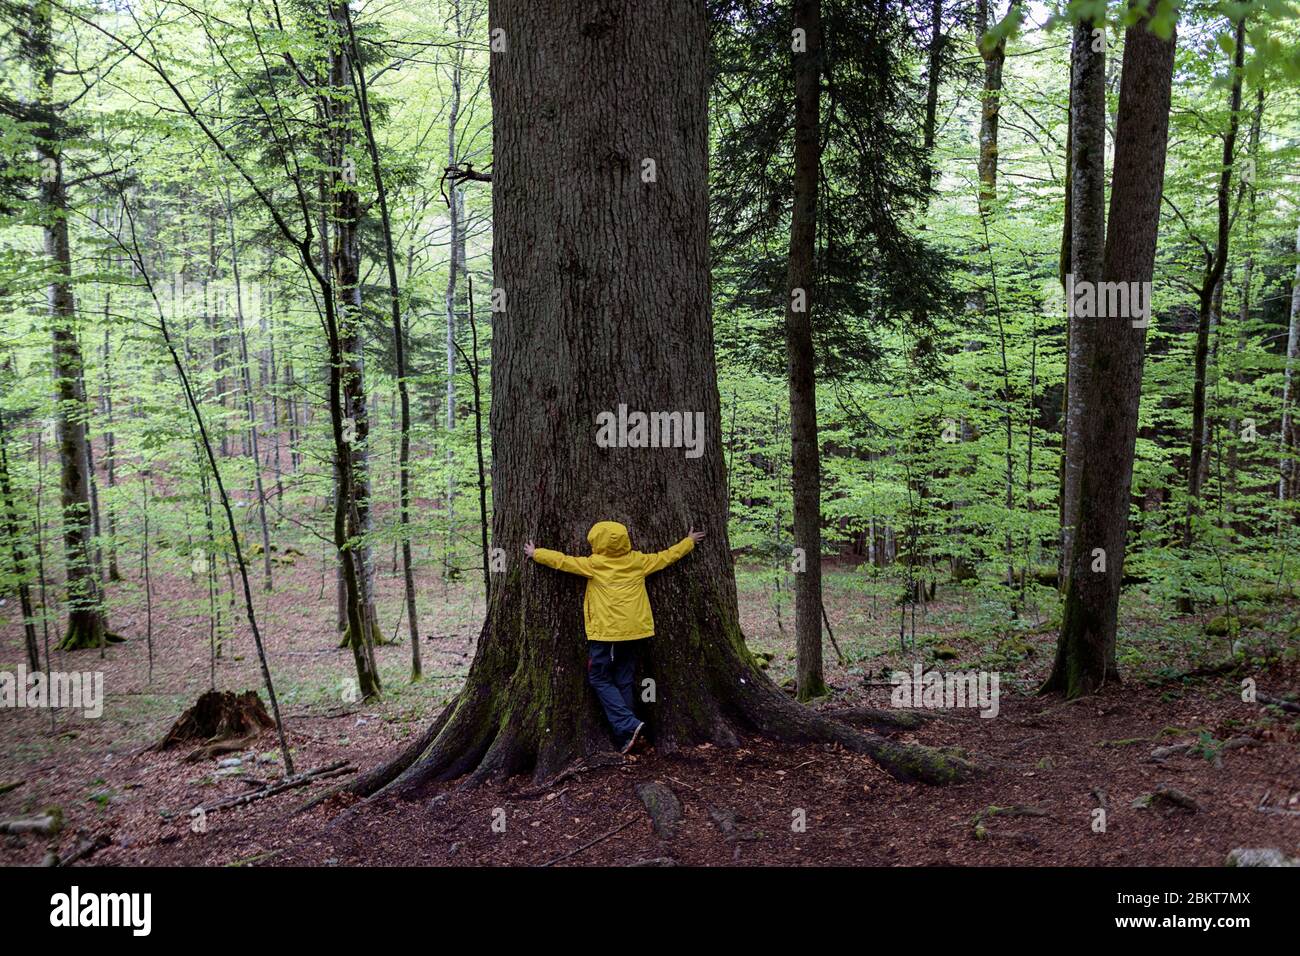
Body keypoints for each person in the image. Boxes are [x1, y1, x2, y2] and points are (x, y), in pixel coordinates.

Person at [525, 521, 705, 753]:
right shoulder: (638, 561)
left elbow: (562, 561)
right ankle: (627, 736)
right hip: (636, 631)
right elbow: (666, 556)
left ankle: (629, 724)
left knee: (599, 678)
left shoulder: (594, 564)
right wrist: (688, 542)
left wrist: (536, 553)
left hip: (608, 634)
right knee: (624, 679)